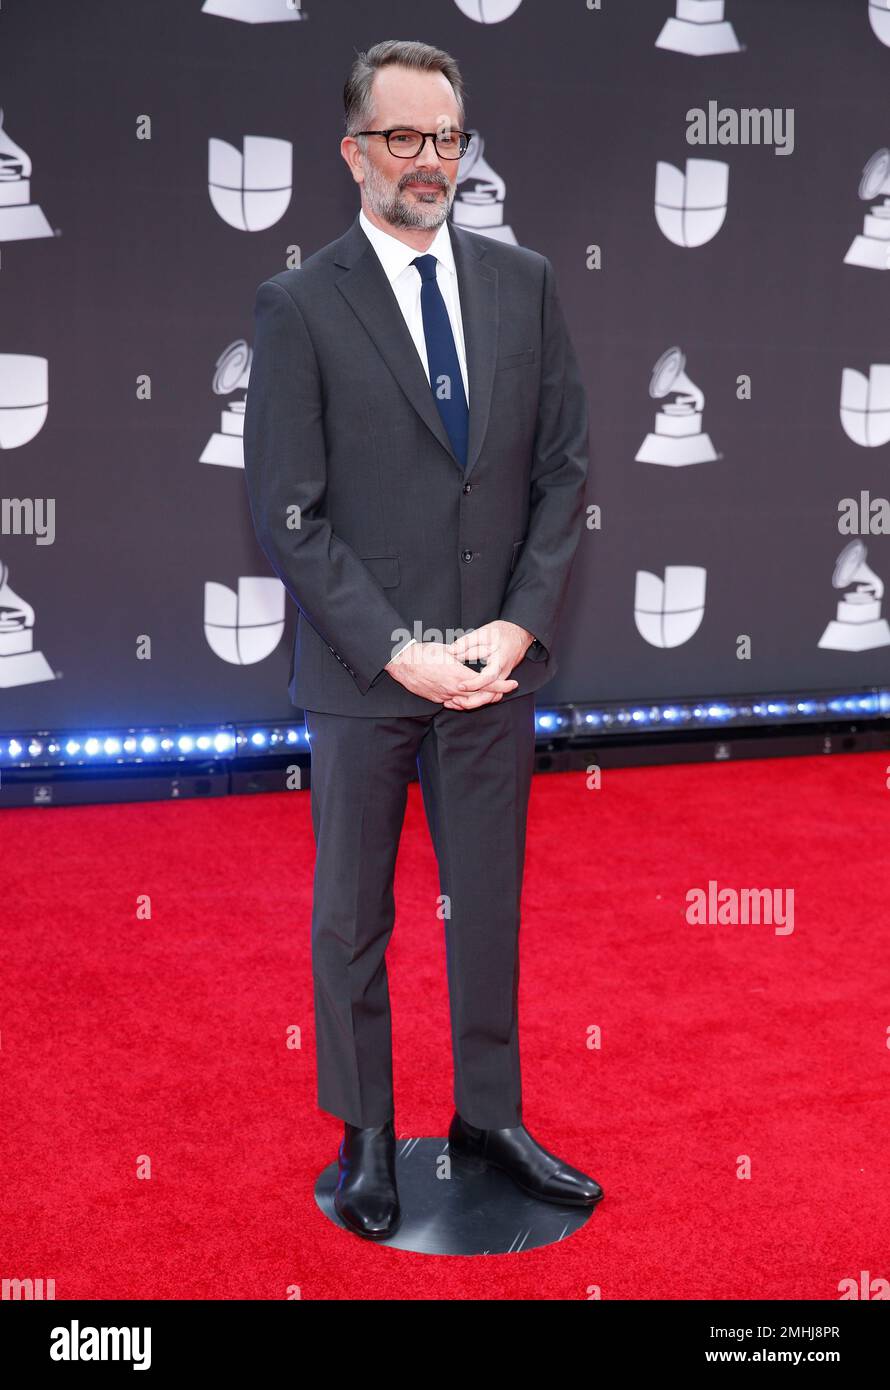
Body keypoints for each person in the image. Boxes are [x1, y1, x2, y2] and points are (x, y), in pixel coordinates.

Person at [243, 38, 602, 1240]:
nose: (429, 161)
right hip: (364, 676)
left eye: (446, 138)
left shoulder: (524, 282)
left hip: (491, 675)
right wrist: (397, 648)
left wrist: (514, 626)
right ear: (351, 152)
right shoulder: (298, 304)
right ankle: (362, 1134)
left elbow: (560, 473)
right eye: (402, 138)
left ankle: (486, 1116)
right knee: (352, 914)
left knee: (485, 901)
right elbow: (288, 512)